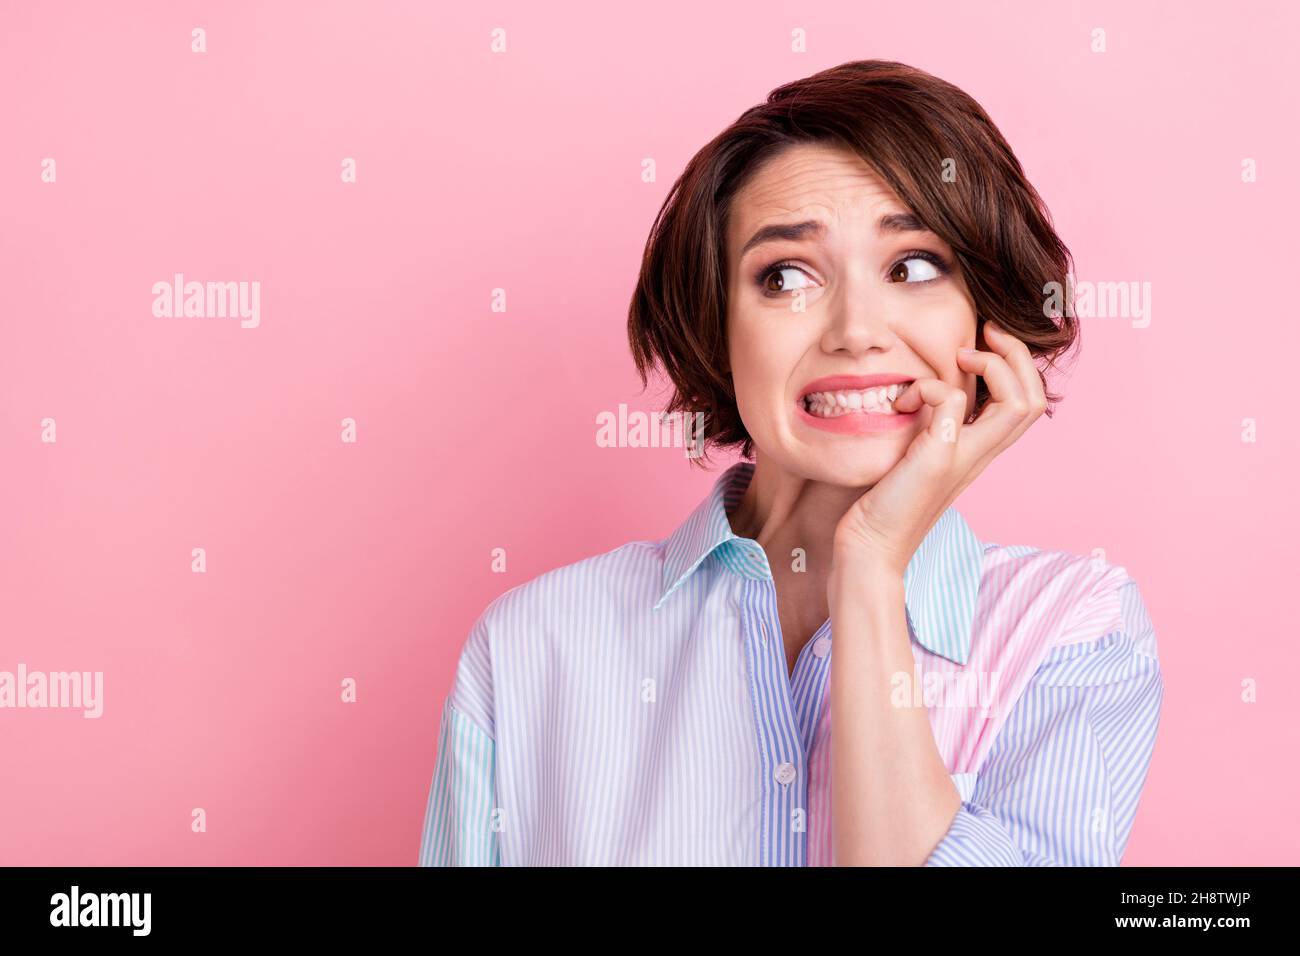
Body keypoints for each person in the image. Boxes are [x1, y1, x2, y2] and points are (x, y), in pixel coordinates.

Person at [419, 59, 1163, 866]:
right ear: (719, 325)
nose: (855, 330)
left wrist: (873, 566)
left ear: (986, 320)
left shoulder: (1074, 632)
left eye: (912, 266)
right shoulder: (532, 647)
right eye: (785, 276)